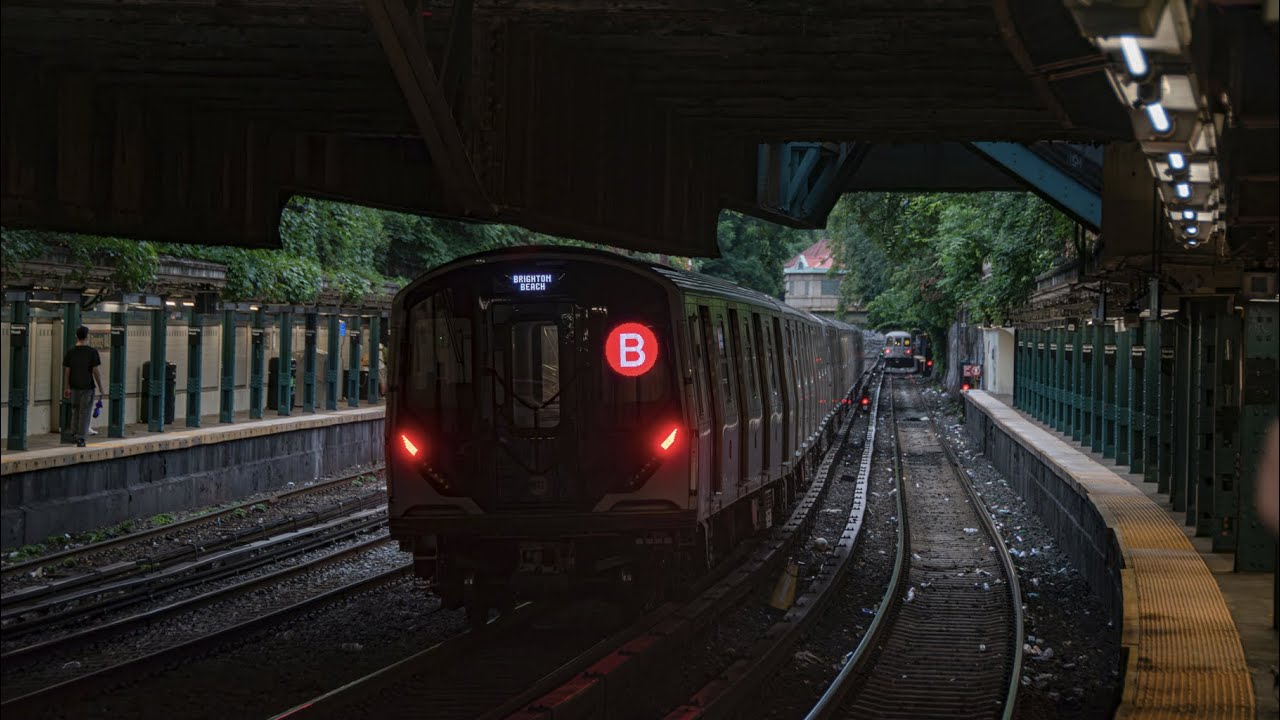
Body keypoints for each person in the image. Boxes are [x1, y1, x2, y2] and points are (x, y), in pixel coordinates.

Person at [62, 326, 104, 447]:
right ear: (87, 336)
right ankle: (81, 438)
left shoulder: (70, 352)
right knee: (84, 412)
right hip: (87, 387)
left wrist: (66, 387)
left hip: (74, 387)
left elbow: (67, 371)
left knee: (75, 410)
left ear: (76, 336)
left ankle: (74, 434)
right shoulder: (92, 352)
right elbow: (95, 371)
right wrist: (100, 386)